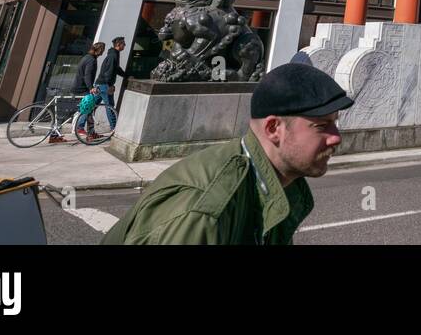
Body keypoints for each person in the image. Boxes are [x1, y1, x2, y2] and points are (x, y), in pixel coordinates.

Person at [102, 63, 351, 244]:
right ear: (274, 128)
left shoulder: (275, 186)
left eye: (335, 123)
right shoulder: (203, 211)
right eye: (321, 125)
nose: (336, 137)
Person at [57, 42, 105, 144]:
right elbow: (87, 75)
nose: (103, 52)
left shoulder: (87, 57)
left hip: (78, 88)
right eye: (102, 50)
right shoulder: (91, 60)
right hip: (81, 89)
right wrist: (91, 88)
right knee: (87, 110)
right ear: (99, 50)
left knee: (78, 111)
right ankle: (83, 130)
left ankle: (90, 133)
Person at [93, 36, 128, 128]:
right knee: (110, 107)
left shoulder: (114, 54)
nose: (125, 45)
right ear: (118, 45)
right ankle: (114, 128)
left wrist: (126, 76)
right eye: (123, 44)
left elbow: (116, 69)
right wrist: (109, 85)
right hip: (105, 85)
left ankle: (80, 125)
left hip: (100, 84)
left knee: (92, 106)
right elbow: (109, 72)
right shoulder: (113, 56)